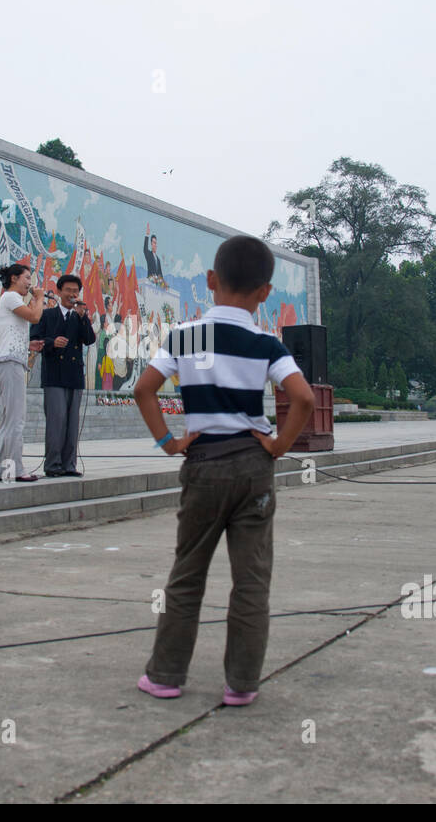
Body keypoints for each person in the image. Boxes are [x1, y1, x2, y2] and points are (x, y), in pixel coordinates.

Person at [133, 235, 315, 707]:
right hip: (253, 467)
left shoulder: (184, 336)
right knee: (251, 580)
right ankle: (242, 683)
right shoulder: (265, 343)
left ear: (210, 281)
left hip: (204, 465)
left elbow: (144, 390)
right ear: (265, 293)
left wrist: (169, 443)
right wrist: (276, 445)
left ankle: (166, 675)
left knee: (188, 573)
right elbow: (304, 399)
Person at [30, 274, 96, 476]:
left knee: (72, 423)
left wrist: (83, 317)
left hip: (74, 376)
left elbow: (90, 339)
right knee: (56, 421)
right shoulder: (48, 315)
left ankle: (69, 465)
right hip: (54, 376)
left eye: (75, 291)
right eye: (68, 290)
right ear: (59, 292)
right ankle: (53, 465)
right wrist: (51, 342)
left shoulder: (79, 316)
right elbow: (34, 339)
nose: (72, 294)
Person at [0, 264, 46, 482]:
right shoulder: (11, 297)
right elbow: (35, 317)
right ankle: (15, 470)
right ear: (14, 278)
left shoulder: (10, 299)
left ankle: (2, 470)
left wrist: (28, 345)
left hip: (12, 361)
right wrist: (40, 298)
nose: (29, 283)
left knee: (11, 420)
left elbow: (14, 331)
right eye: (26, 278)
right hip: (10, 363)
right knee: (15, 420)